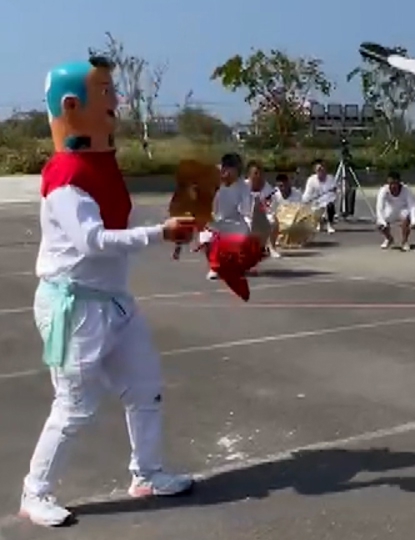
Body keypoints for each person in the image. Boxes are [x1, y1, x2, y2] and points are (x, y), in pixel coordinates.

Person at [20, 56, 196, 528]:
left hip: (113, 303)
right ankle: (35, 492)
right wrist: (161, 234)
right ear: (73, 105)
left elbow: (120, 227)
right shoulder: (66, 176)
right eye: (105, 94)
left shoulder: (101, 168)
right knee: (75, 406)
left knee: (145, 388)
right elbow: (92, 242)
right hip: (73, 307)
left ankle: (148, 473)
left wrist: (178, 235)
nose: (115, 102)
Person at [203, 153, 255, 280]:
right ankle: (214, 267)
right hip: (212, 220)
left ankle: (241, 263)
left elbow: (246, 209)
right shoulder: (212, 180)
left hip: (234, 220)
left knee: (246, 234)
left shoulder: (243, 186)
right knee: (207, 239)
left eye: (237, 169)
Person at [245, 161, 281, 259]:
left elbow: (270, 210)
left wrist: (260, 209)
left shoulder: (270, 191)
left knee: (274, 221)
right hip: (245, 216)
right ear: (249, 174)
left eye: (261, 173)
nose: (259, 176)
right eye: (255, 173)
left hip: (263, 216)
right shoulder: (241, 187)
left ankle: (271, 247)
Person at [376, 171, 415, 251]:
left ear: (399, 182)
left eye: (395, 183)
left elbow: (412, 206)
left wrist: (413, 221)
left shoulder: (406, 190)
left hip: (402, 210)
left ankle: (404, 242)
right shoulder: (383, 190)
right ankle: (389, 239)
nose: (392, 186)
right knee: (379, 224)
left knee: (406, 217)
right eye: (390, 183)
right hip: (390, 210)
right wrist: (382, 222)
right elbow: (379, 207)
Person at [302, 159, 337, 234]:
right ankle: (319, 222)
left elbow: (333, 195)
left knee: (330, 206)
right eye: (318, 169)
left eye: (322, 169)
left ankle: (329, 225)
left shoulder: (330, 178)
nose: (321, 171)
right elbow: (307, 194)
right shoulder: (311, 180)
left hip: (327, 203)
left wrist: (325, 203)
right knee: (314, 210)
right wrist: (306, 201)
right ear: (315, 170)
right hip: (315, 204)